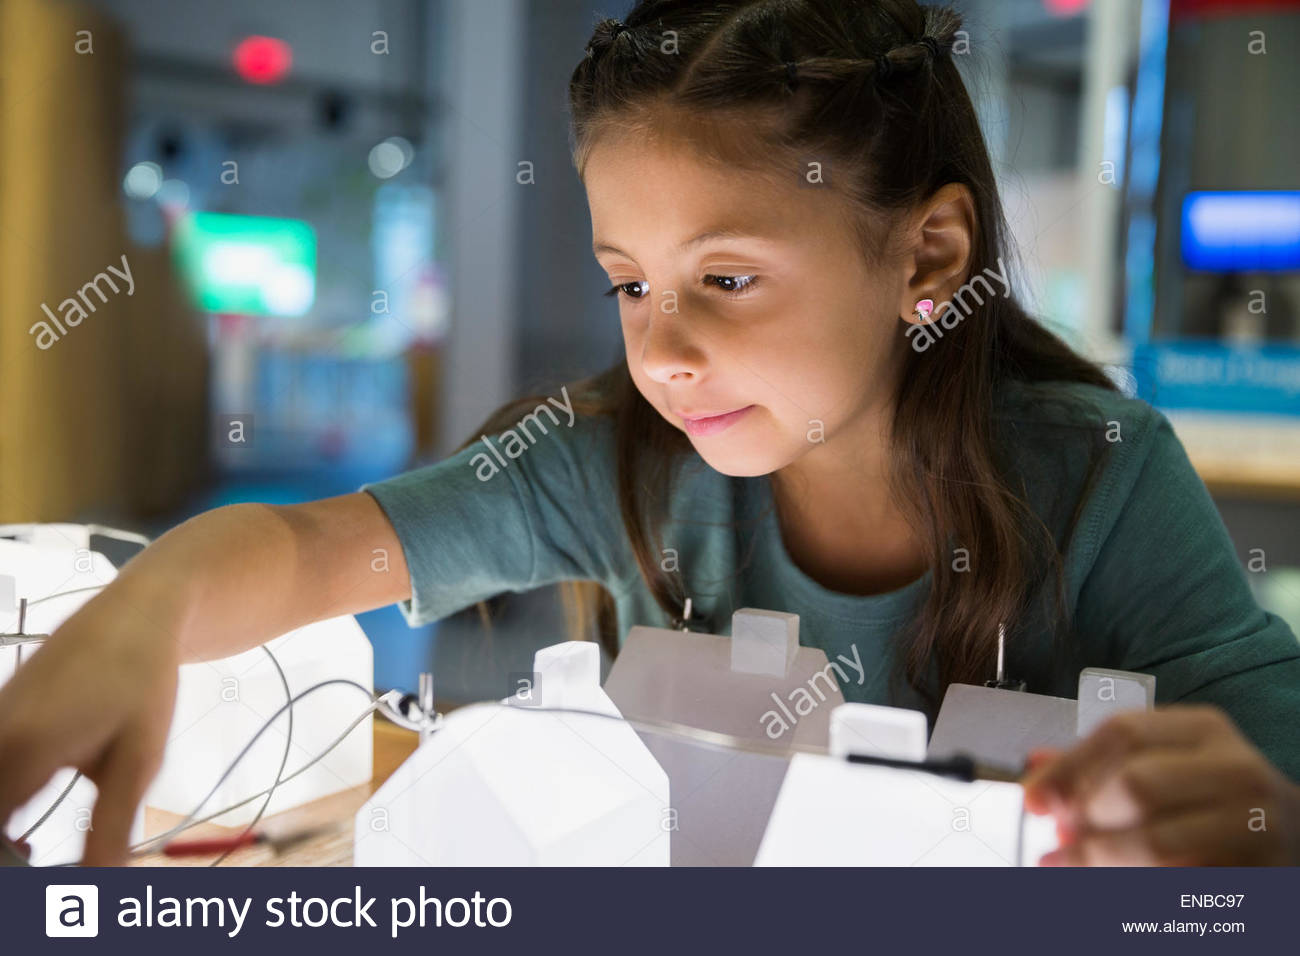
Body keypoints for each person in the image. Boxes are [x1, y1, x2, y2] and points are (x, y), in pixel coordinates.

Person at [1, 0, 1297, 867]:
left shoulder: (1101, 478)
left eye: (727, 279)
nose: (662, 350)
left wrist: (1255, 820)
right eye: (631, 283)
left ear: (929, 252)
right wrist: (139, 613)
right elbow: (308, 549)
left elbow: (1268, 781)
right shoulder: (606, 457)